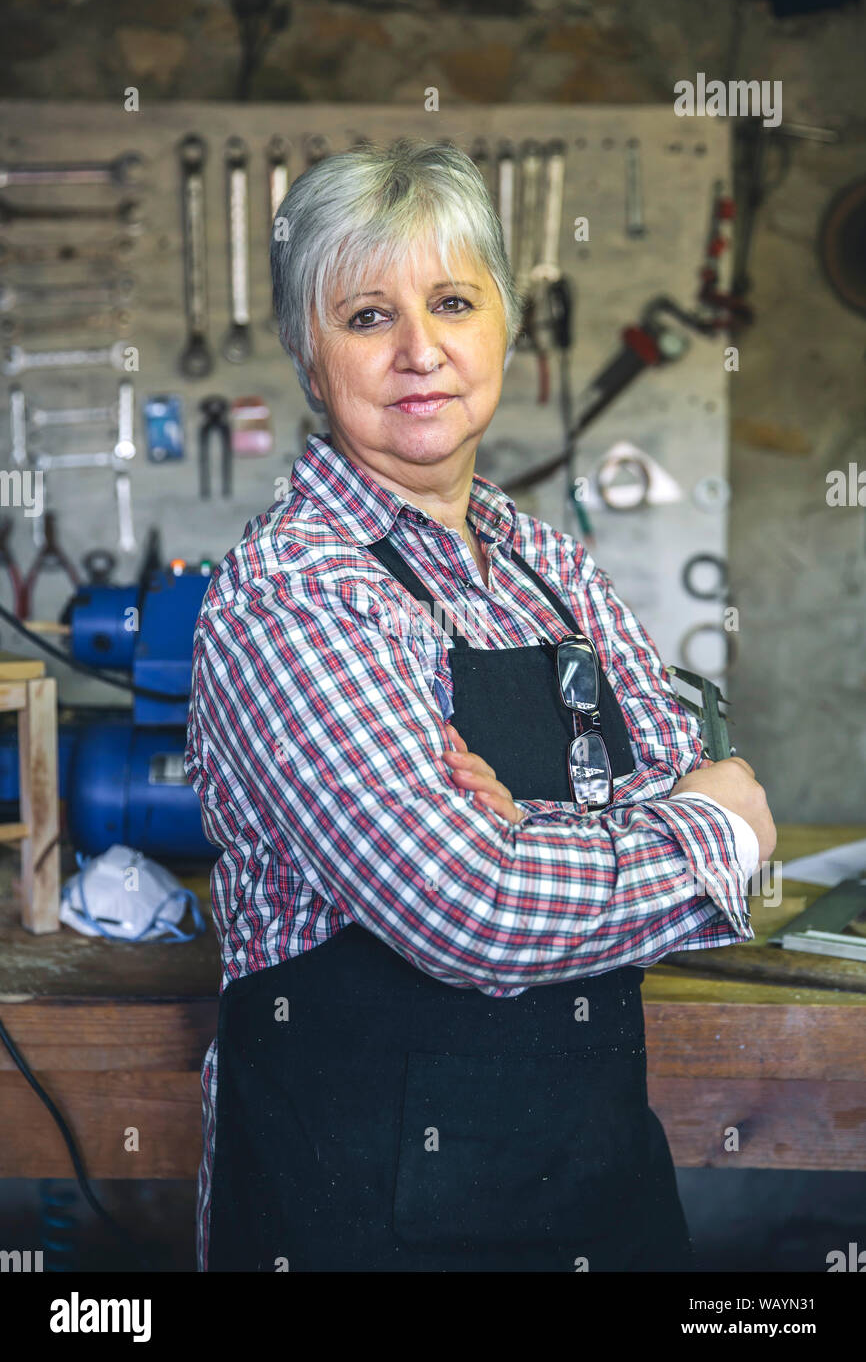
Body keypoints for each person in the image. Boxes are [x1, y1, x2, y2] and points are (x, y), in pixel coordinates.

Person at [185, 136, 776, 1273]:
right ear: (310, 356)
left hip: (595, 1194)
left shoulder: (547, 563)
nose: (419, 352)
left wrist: (533, 834)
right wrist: (708, 832)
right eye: (366, 317)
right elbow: (473, 908)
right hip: (358, 1216)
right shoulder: (293, 590)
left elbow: (672, 783)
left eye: (451, 301)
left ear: (501, 323)